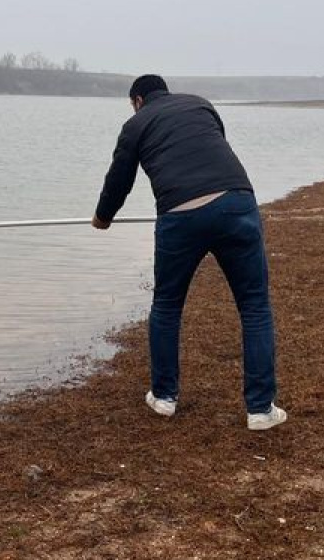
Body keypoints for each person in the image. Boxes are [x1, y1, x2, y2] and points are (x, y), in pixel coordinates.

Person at [92, 74, 286, 431]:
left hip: (179, 216)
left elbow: (119, 178)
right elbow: (213, 145)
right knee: (254, 307)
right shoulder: (200, 103)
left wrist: (103, 217)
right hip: (236, 203)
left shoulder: (135, 124)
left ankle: (164, 398)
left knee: (166, 306)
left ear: (137, 100)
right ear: (164, 91)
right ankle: (260, 410)